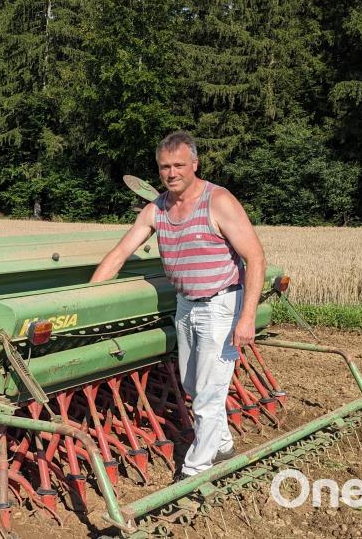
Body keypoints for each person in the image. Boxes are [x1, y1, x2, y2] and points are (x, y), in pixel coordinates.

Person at [90, 131, 266, 477]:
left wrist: (246, 318)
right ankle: (224, 445)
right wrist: (85, 300)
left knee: (208, 395)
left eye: (179, 165)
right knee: (192, 385)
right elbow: (120, 254)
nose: (171, 173)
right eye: (164, 167)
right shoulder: (156, 210)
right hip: (185, 306)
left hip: (221, 307)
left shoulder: (219, 201)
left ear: (195, 164)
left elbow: (255, 258)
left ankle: (195, 470)